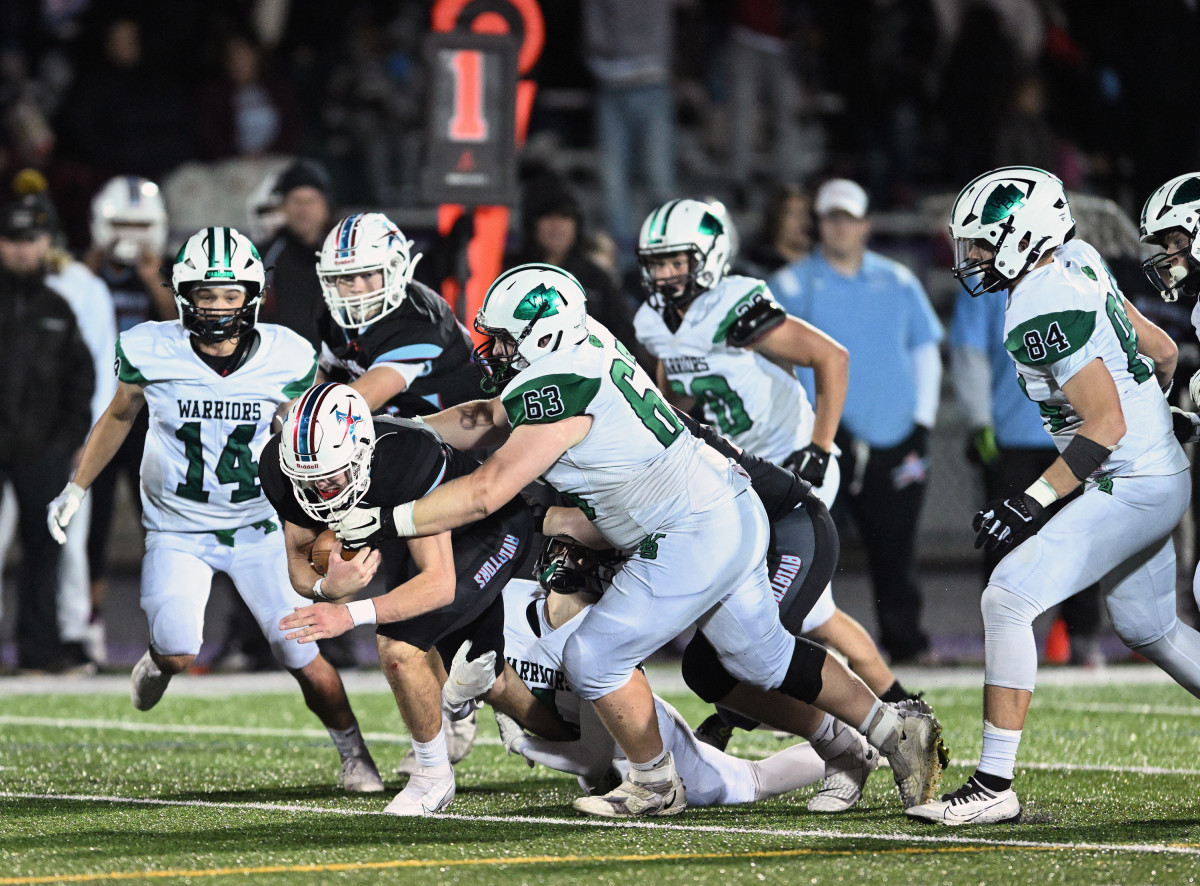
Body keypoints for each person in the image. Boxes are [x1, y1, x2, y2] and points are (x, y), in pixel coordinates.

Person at [334, 263, 945, 819]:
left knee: (596, 657)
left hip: (688, 529)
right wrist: (405, 426)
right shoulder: (581, 348)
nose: (490, 349)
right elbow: (490, 419)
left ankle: (654, 782)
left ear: (544, 335)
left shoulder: (560, 382)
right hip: (722, 508)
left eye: (504, 339)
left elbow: (487, 491)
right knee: (764, 658)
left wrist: (388, 520)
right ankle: (893, 731)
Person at [909, 166, 1200, 825]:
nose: (972, 259)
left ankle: (992, 786)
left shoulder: (1043, 301)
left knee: (1008, 595)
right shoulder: (1080, 258)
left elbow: (1105, 424)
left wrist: (1031, 499)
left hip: (1131, 481)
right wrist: (1159, 417)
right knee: (1148, 627)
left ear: (1022, 235)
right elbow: (1159, 348)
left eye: (983, 244)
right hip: (1150, 471)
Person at [45, 227, 383, 794]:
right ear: (183, 295)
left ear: (252, 296)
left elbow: (308, 438)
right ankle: (156, 659)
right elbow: (121, 414)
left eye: (231, 295)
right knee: (178, 650)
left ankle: (354, 753)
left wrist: (327, 517)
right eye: (206, 294)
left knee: (301, 650)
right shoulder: (152, 347)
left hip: (258, 526)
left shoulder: (287, 356)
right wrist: (77, 487)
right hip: (177, 528)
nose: (219, 306)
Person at [259, 382, 573, 816]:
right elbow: (299, 563)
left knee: (399, 648)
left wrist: (348, 613)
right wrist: (327, 588)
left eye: (332, 476)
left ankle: (432, 777)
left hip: (488, 531)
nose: (324, 491)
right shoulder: (281, 470)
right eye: (309, 481)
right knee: (488, 679)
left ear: (362, 450)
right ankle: (585, 746)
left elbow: (439, 583)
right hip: (406, 537)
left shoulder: (403, 460)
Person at [475, 548, 833, 809]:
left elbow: (591, 759)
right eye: (565, 546)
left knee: (754, 781)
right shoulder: (512, 597)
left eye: (580, 551)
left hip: (648, 745)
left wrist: (521, 742)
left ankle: (852, 742)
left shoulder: (599, 637)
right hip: (611, 766)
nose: (565, 554)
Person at [770, 178, 943, 664]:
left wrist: (923, 423)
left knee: (895, 546)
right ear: (818, 223)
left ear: (865, 223)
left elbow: (925, 349)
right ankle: (800, 644)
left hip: (894, 434)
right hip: (818, 438)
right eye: (830, 217)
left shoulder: (899, 280)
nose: (839, 226)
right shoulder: (789, 283)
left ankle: (905, 641)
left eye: (847, 217)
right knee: (804, 544)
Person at [950, 285, 1106, 666]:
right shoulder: (985, 290)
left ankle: (1082, 635)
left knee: (1080, 539)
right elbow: (969, 353)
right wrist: (979, 417)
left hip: (1076, 434)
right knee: (1007, 544)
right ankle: (1004, 638)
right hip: (1014, 435)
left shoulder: (1079, 277)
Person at [0, 192, 95, 673]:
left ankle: (40, 650)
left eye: (29, 240)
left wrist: (68, 441)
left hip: (42, 449)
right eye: (12, 239)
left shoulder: (59, 305)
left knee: (45, 549)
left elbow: (81, 379)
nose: (20, 250)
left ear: (45, 243)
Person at [82, 174, 174, 662]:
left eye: (139, 224)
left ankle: (166, 622)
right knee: (90, 524)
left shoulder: (164, 270)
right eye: (120, 224)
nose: (129, 235)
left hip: (151, 415)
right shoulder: (85, 274)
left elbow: (177, 323)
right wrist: (93, 263)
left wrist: (149, 275)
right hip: (100, 408)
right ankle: (89, 620)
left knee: (157, 524)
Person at [315, 212, 480, 414]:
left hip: (466, 433)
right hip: (408, 428)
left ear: (395, 269)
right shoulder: (338, 316)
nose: (356, 287)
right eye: (345, 276)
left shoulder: (420, 317)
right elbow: (324, 377)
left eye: (368, 274)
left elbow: (360, 400)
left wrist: (301, 414)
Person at [259, 159, 334, 351]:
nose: (304, 210)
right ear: (283, 207)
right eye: (296, 201)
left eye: (310, 201)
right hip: (278, 362)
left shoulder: (341, 257)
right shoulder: (263, 256)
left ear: (326, 207)